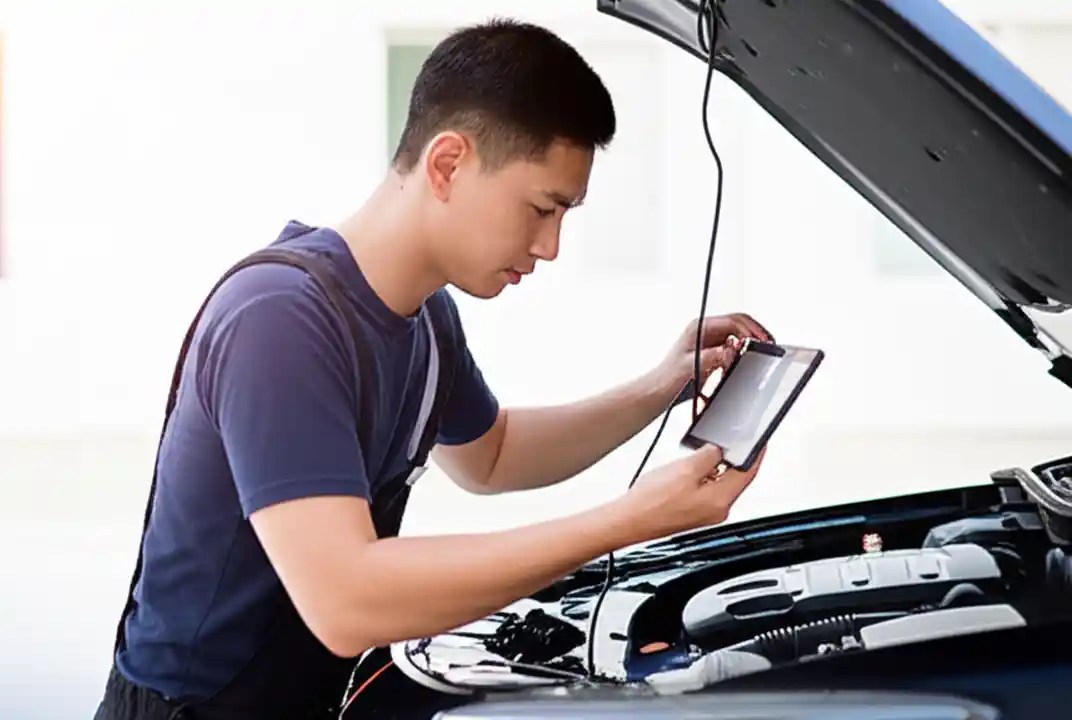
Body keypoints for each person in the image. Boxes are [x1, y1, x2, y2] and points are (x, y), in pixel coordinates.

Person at [94, 17, 771, 720]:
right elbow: (344, 600)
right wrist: (625, 521)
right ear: (447, 164)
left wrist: (664, 382)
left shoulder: (426, 319)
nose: (550, 246)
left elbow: (494, 455)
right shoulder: (279, 319)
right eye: (542, 209)